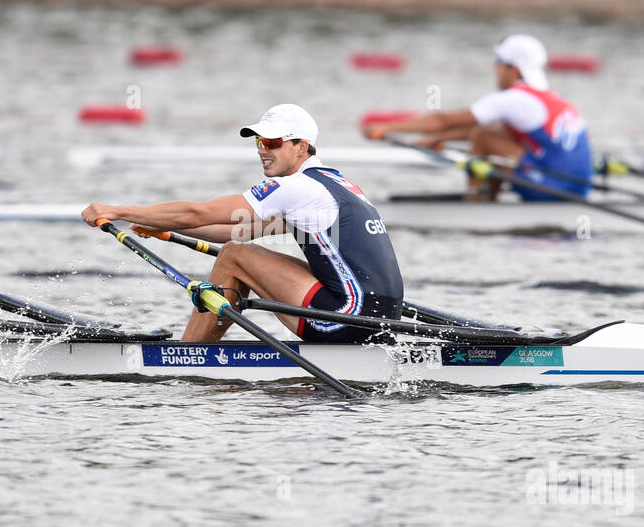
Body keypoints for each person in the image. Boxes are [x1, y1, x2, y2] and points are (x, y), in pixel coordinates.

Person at [81, 103, 403, 344]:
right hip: (384, 319)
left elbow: (199, 214)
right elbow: (237, 228)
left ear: (301, 147)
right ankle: (198, 350)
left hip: (344, 319)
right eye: (259, 142)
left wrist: (119, 210)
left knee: (234, 255)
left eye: (273, 143)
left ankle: (187, 355)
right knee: (237, 248)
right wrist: (167, 228)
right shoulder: (332, 181)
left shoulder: (296, 187)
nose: (263, 150)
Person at [361, 34, 592, 201]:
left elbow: (445, 119)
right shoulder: (552, 98)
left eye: (498, 64)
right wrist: (437, 137)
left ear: (513, 69)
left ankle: (477, 202)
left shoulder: (515, 99)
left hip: (553, 188)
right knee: (490, 133)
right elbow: (482, 129)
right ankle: (488, 199)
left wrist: (385, 128)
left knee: (484, 136)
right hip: (578, 188)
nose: (496, 70)